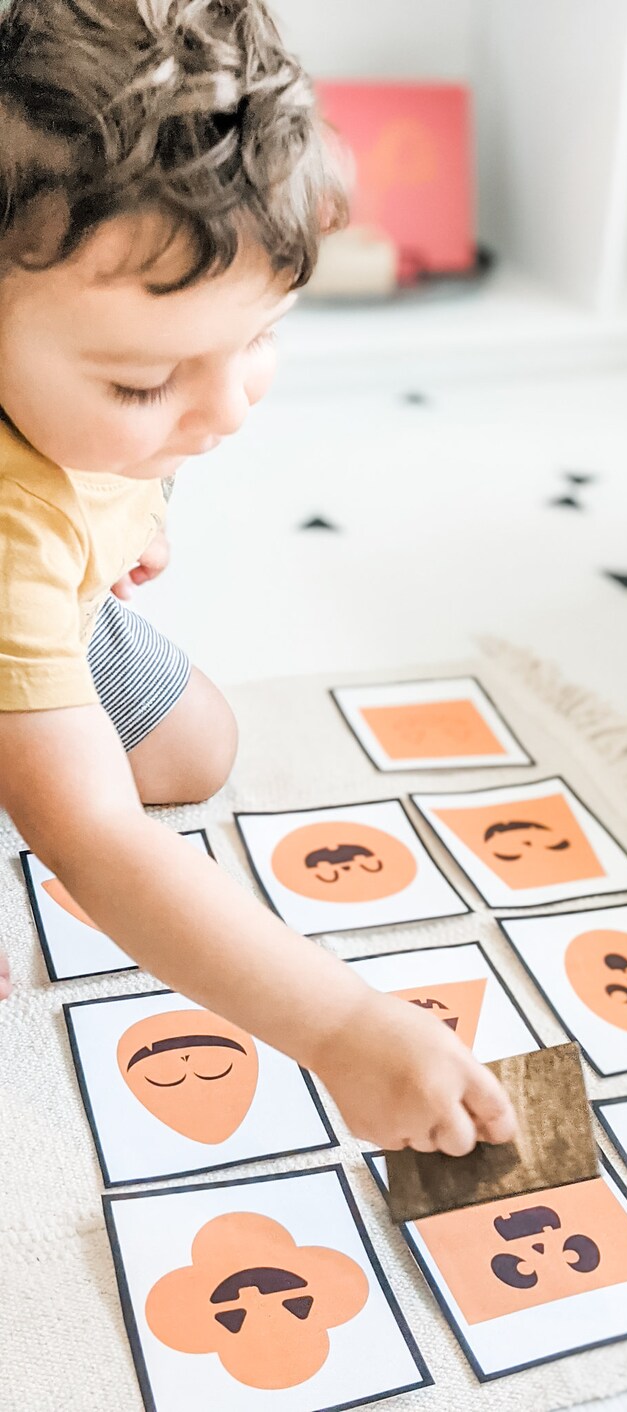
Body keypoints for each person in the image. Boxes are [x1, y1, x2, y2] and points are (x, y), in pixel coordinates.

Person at [0, 0, 516, 1156]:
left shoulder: (89, 375)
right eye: (143, 384)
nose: (229, 405)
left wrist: (141, 500)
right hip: (22, 595)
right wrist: (335, 1024)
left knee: (200, 750)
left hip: (54, 604)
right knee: (68, 813)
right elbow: (91, 839)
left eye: (261, 337)